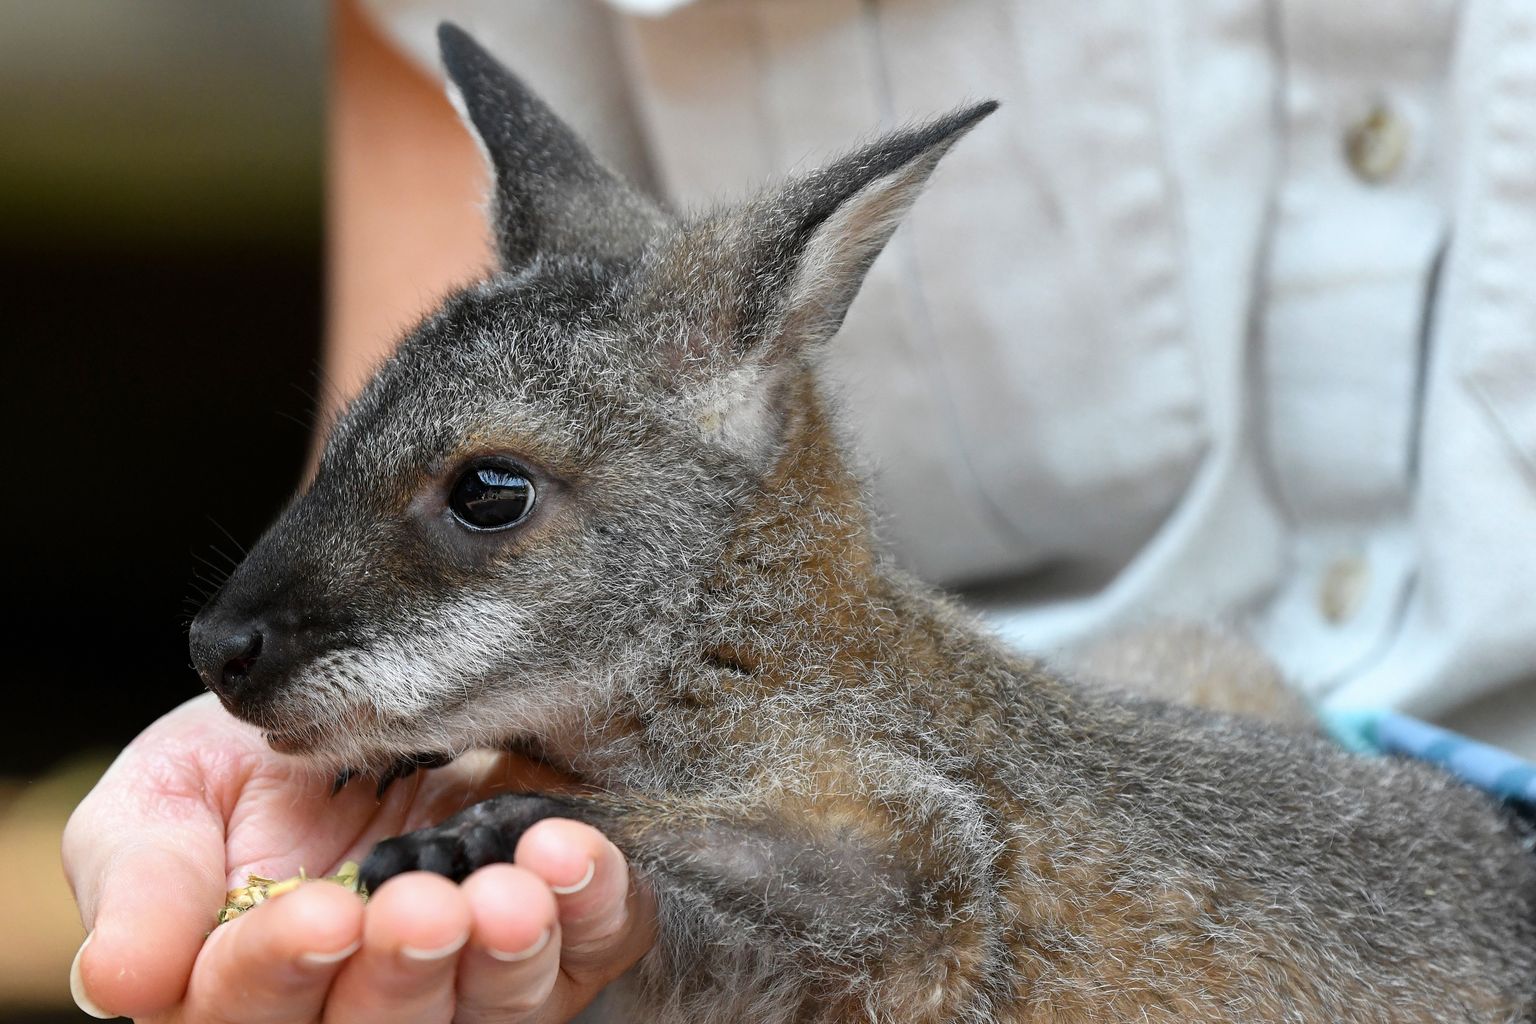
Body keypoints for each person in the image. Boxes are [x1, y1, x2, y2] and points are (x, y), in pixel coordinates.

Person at [67, 0, 1536, 1019]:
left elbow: (902, 922)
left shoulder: (811, 738)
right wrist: (408, 758)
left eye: (490, 501)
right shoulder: (643, 706)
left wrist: (541, 827)